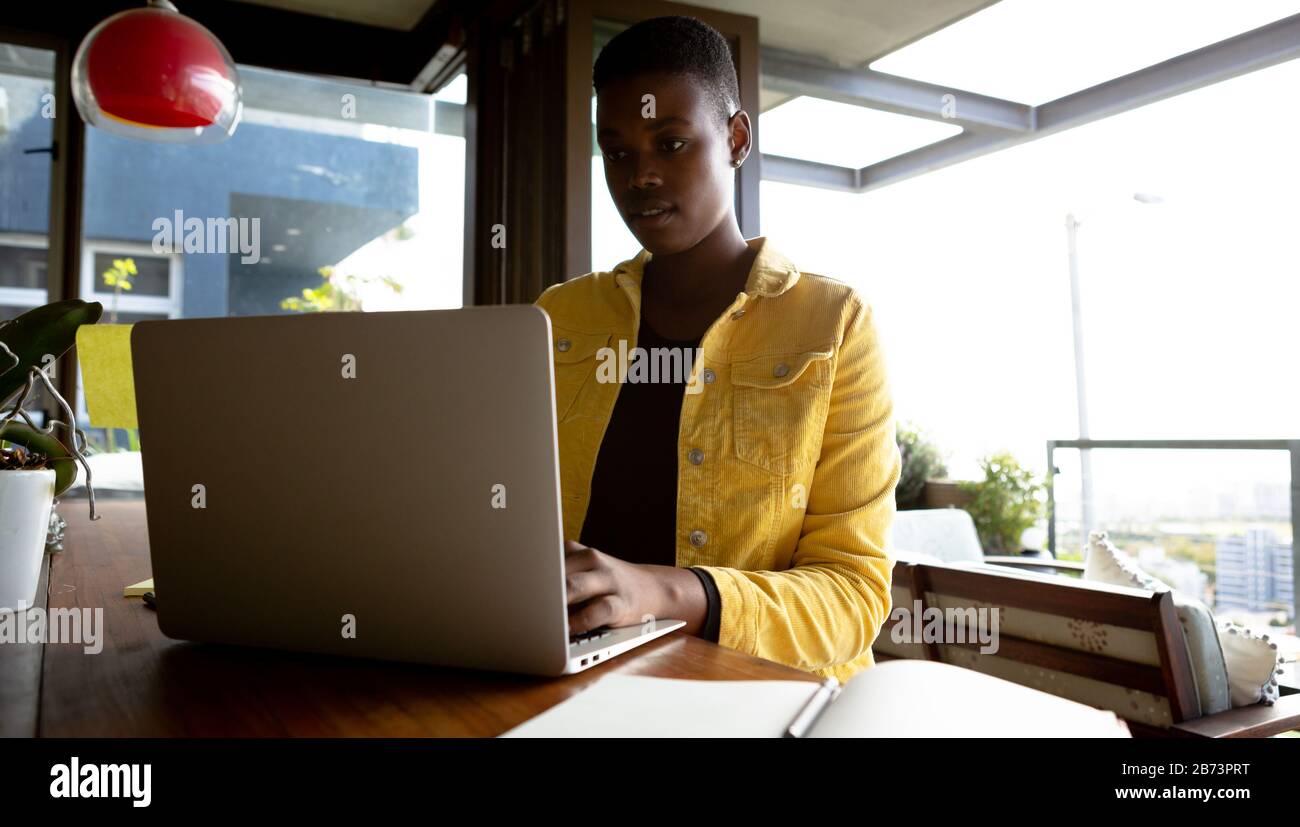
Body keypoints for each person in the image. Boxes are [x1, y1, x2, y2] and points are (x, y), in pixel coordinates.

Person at [534, 15, 901, 683]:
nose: (640, 175)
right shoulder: (557, 319)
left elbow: (853, 596)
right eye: (616, 152)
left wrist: (668, 593)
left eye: (670, 143)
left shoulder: (834, 325)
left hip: (765, 695)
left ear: (735, 139)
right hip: (577, 688)